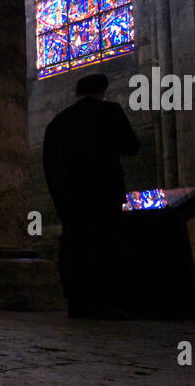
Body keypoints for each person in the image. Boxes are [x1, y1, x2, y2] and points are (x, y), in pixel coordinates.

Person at [42, 72, 140, 318]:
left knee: (75, 246)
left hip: (70, 197)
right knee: (106, 244)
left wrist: (58, 196)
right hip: (103, 192)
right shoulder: (110, 112)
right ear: (103, 90)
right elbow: (131, 147)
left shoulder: (58, 121)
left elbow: (48, 164)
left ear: (77, 92)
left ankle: (77, 302)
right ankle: (107, 303)